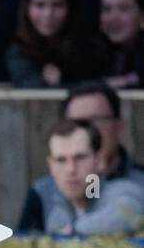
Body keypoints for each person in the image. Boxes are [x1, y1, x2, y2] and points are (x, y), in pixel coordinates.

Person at [16, 83, 144, 230]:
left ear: (118, 125)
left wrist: (68, 236)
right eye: (76, 123)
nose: (71, 169)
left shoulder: (136, 184)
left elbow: (128, 212)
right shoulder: (43, 191)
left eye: (97, 120)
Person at [4, 0, 94, 88]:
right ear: (27, 9)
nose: (48, 14)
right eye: (40, 5)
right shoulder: (18, 51)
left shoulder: (89, 48)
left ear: (70, 9)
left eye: (57, 5)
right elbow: (34, 91)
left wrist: (62, 80)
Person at [94, 0, 144, 88]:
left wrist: (128, 81)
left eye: (123, 8)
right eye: (106, 9)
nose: (113, 18)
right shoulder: (91, 51)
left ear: (141, 15)